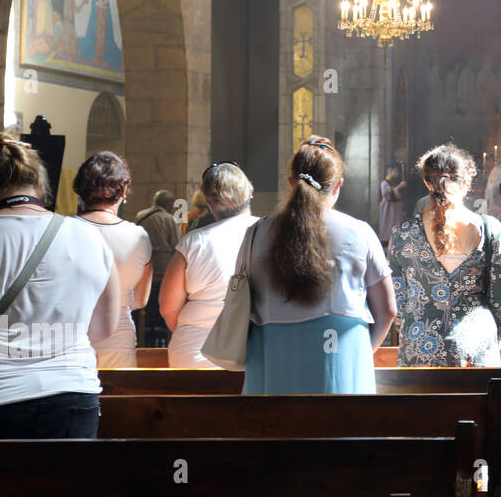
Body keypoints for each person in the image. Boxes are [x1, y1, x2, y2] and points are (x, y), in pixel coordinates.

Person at [0, 133, 120, 438]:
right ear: (39, 185)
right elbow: (103, 329)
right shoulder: (88, 237)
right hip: (71, 395)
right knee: (65, 487)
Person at [242, 136, 396, 394]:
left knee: (276, 428)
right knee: (339, 430)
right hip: (342, 353)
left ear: (291, 182)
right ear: (338, 186)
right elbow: (388, 310)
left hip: (273, 354)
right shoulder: (360, 232)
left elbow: (241, 298)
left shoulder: (257, 232)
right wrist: (359, 351)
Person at [387, 143, 501, 367]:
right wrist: (493, 336)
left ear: (427, 182)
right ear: (467, 183)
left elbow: (398, 302)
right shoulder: (493, 232)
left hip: (420, 355)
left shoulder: (403, 234)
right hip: (475, 354)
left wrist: (416, 328)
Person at [159, 163, 259, 367]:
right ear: (249, 192)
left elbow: (168, 307)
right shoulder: (269, 234)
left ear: (210, 205)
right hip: (253, 351)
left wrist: (191, 330)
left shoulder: (195, 241)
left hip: (195, 351)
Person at [73, 152, 152, 368]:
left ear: (80, 189)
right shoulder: (139, 237)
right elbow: (141, 300)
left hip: (72, 336)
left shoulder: (62, 230)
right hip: (119, 338)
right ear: (124, 190)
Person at [134, 190, 180, 346]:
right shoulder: (169, 219)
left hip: (143, 264)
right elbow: (176, 245)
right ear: (167, 204)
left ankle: (143, 336)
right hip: (162, 266)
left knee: (146, 305)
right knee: (159, 300)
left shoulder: (141, 216)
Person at [378, 161, 406, 248]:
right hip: (388, 211)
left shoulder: (393, 183)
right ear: (391, 171)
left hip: (395, 211)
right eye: (396, 171)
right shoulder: (384, 183)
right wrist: (399, 187)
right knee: (387, 228)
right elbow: (387, 195)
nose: (397, 174)